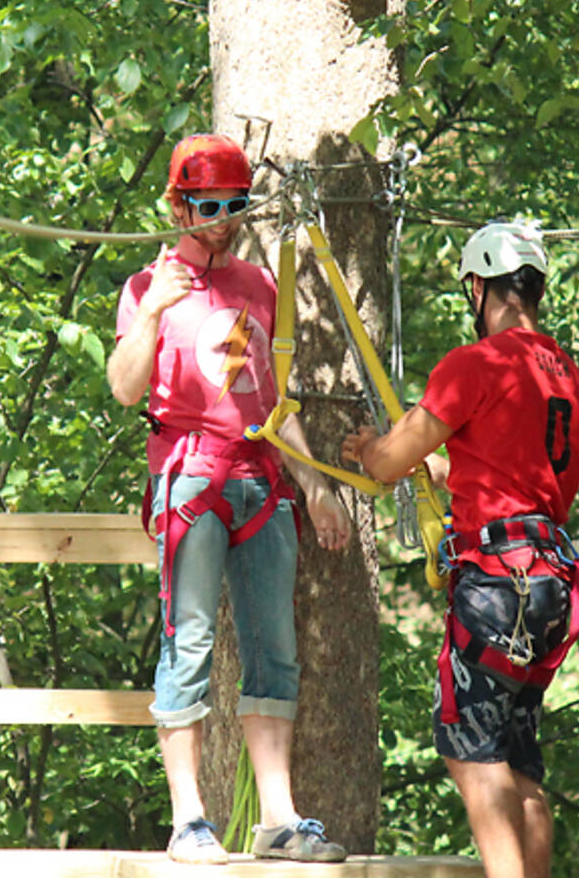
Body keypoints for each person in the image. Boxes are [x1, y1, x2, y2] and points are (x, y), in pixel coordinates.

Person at [108, 133, 353, 865]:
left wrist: (312, 482)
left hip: (260, 480)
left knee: (275, 650)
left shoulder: (256, 285)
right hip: (191, 479)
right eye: (207, 205)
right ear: (178, 205)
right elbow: (124, 389)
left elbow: (274, 400)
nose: (222, 219)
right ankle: (189, 819)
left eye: (234, 205)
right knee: (189, 643)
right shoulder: (147, 285)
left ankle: (278, 817)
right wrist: (153, 312)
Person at [339, 222, 579, 878]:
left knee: (474, 756)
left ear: (479, 288)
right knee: (521, 763)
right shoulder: (566, 375)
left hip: (497, 586)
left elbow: (392, 461)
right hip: (550, 585)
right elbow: (508, 472)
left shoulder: (475, 364)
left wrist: (369, 448)